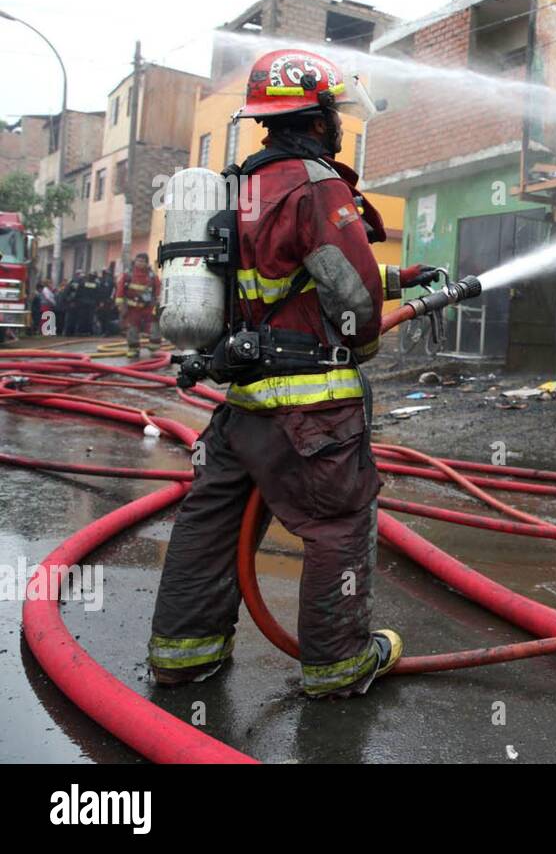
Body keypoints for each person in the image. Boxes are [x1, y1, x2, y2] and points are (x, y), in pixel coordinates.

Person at [148, 49, 439, 698]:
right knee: (339, 519)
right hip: (313, 408)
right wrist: (364, 338)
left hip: (244, 404)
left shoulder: (246, 184)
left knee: (213, 518)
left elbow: (288, 279)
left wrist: (405, 278)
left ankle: (183, 651)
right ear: (315, 117)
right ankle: (338, 662)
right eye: (335, 111)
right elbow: (355, 300)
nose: (339, 123)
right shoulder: (314, 183)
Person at [114, 252, 161, 357]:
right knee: (132, 329)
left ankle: (154, 348)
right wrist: (120, 305)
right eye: (138, 261)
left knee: (154, 326)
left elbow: (158, 290)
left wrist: (158, 303)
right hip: (132, 309)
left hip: (149, 308)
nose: (139, 263)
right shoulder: (128, 275)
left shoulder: (152, 276)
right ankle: (133, 349)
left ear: (146, 263)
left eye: (142, 261)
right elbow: (120, 290)